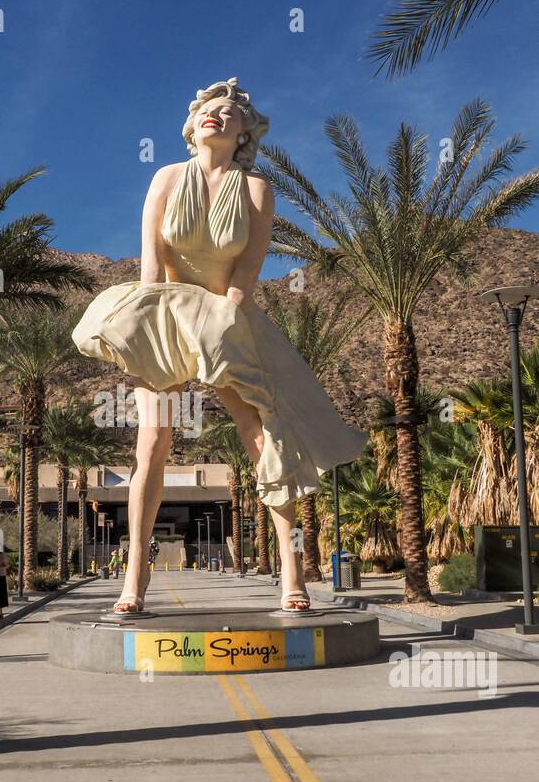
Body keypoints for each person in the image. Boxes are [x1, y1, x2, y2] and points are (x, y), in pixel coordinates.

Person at [72, 78, 366, 613]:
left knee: (263, 437)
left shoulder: (256, 189)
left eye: (230, 112)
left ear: (245, 134)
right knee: (152, 443)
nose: (218, 114)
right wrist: (148, 332)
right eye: (210, 107)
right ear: (194, 123)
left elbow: (246, 276)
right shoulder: (165, 177)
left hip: (228, 318)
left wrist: (220, 324)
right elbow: (149, 269)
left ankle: (292, 577)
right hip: (164, 313)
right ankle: (133, 581)